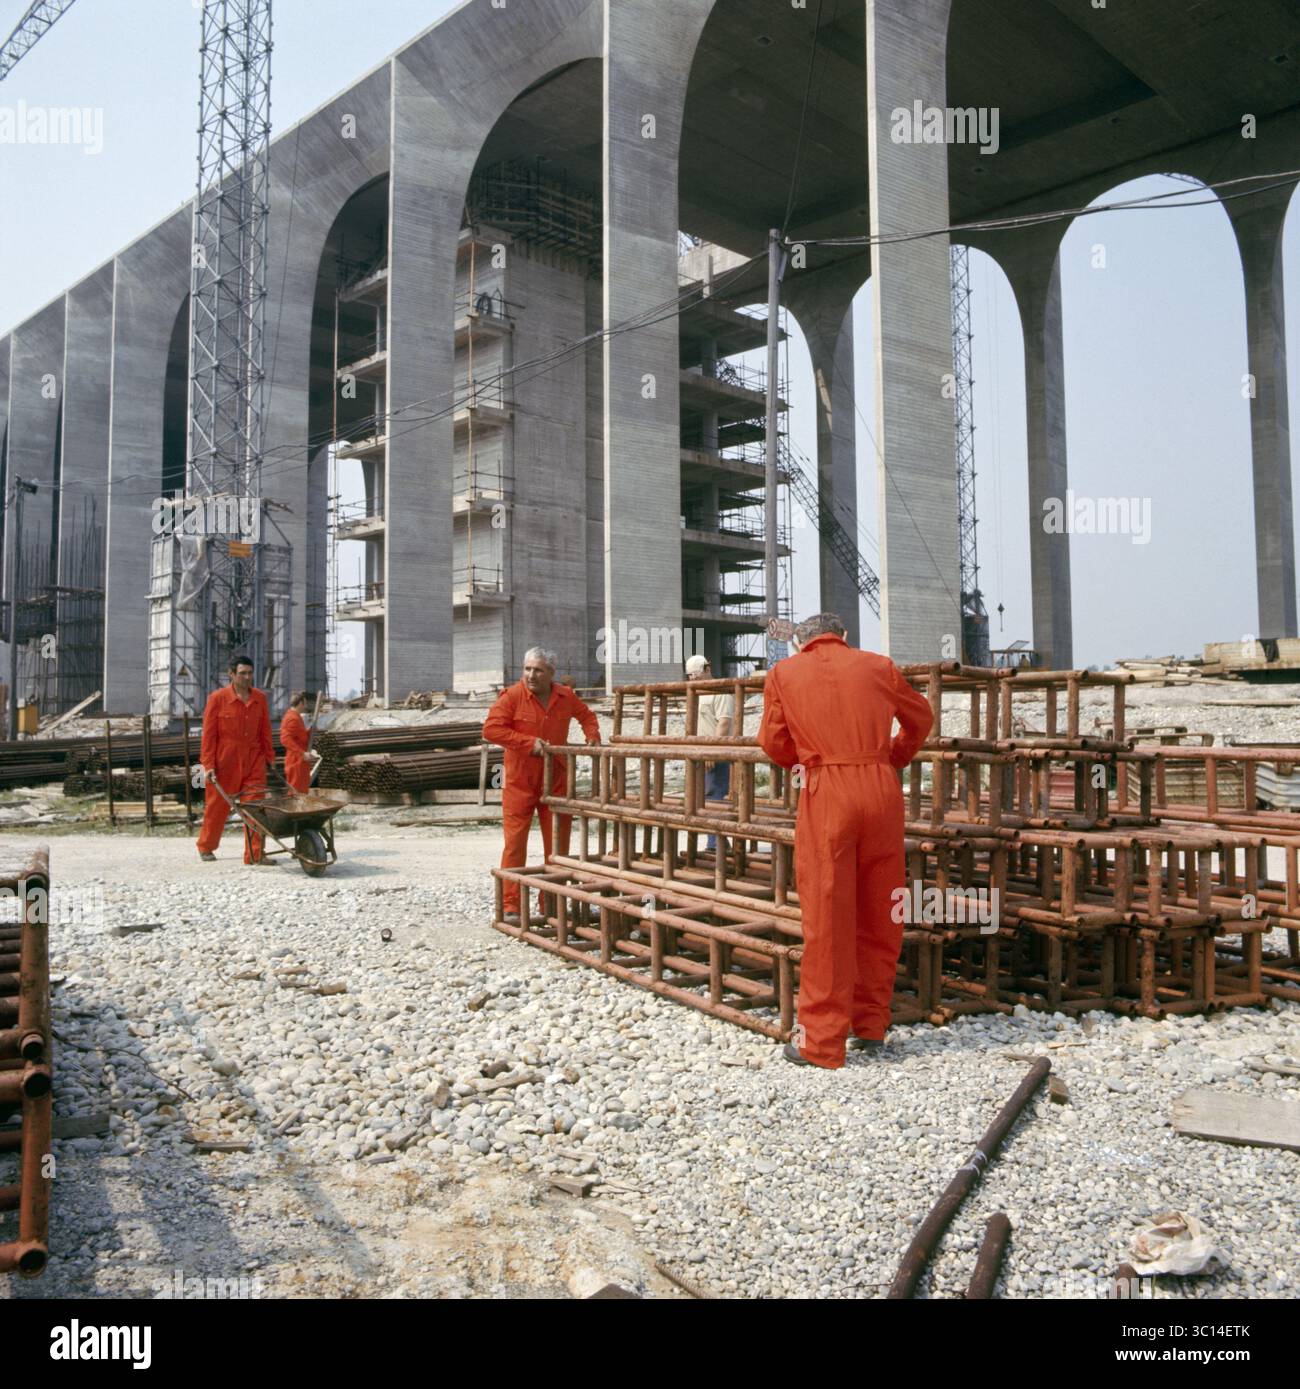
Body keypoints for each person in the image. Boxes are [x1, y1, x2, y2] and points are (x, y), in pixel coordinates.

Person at [757, 612, 933, 1069]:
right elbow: (921, 718)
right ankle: (871, 1025)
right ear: (845, 636)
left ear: (801, 642)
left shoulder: (783, 673)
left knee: (828, 917)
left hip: (827, 791)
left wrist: (811, 762)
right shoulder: (879, 665)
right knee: (881, 909)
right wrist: (891, 758)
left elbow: (772, 742)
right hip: (880, 789)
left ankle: (821, 1043)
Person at [483, 647, 601, 923]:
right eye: (527, 669)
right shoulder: (512, 696)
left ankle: (550, 903)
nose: (530, 675)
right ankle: (511, 904)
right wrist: (527, 743)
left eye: (537, 670)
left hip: (556, 780)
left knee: (557, 847)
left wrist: (592, 735)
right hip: (519, 781)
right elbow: (491, 729)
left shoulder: (566, 696)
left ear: (551, 673)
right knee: (514, 845)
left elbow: (587, 716)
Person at [196, 655, 276, 864]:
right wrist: (209, 765)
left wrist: (269, 757)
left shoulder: (260, 698)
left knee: (255, 807)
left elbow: (265, 730)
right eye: (242, 673)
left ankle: (255, 854)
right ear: (231, 675)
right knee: (217, 806)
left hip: (254, 760)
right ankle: (206, 846)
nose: (247, 677)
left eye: (250, 673)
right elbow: (209, 735)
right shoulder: (218, 698)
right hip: (225, 760)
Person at [685, 654, 733, 853]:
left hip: (715, 754)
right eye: (689, 676)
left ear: (707, 669)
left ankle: (715, 844)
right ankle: (718, 842)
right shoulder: (696, 692)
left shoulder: (720, 692)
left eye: (695, 675)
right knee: (699, 799)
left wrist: (713, 752)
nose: (692, 679)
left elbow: (724, 723)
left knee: (714, 797)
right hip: (698, 753)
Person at [281, 691, 312, 794]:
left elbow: (299, 736)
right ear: (300, 703)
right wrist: (302, 753)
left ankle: (300, 809)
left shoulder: (295, 716)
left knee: (301, 790)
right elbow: (285, 739)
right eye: (305, 703)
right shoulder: (292, 718)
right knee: (296, 791)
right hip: (296, 760)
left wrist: (310, 732)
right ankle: (295, 810)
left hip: (299, 760)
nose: (306, 706)